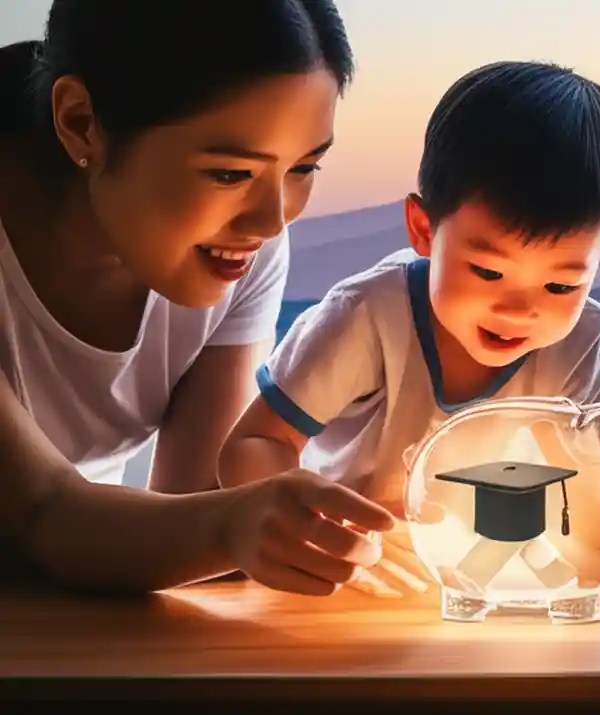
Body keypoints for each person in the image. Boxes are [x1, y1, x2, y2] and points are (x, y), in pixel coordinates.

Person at [217, 61, 600, 596]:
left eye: (560, 286)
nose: (517, 309)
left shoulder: (589, 343)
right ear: (423, 229)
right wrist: (313, 524)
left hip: (500, 586)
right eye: (487, 271)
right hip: (347, 581)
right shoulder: (367, 317)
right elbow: (253, 442)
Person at [0, 1, 395, 596]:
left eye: (303, 167)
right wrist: (236, 522)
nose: (271, 220)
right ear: (82, 122)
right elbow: (42, 511)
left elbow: (191, 505)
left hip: (68, 614)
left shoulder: (236, 249)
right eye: (231, 174)